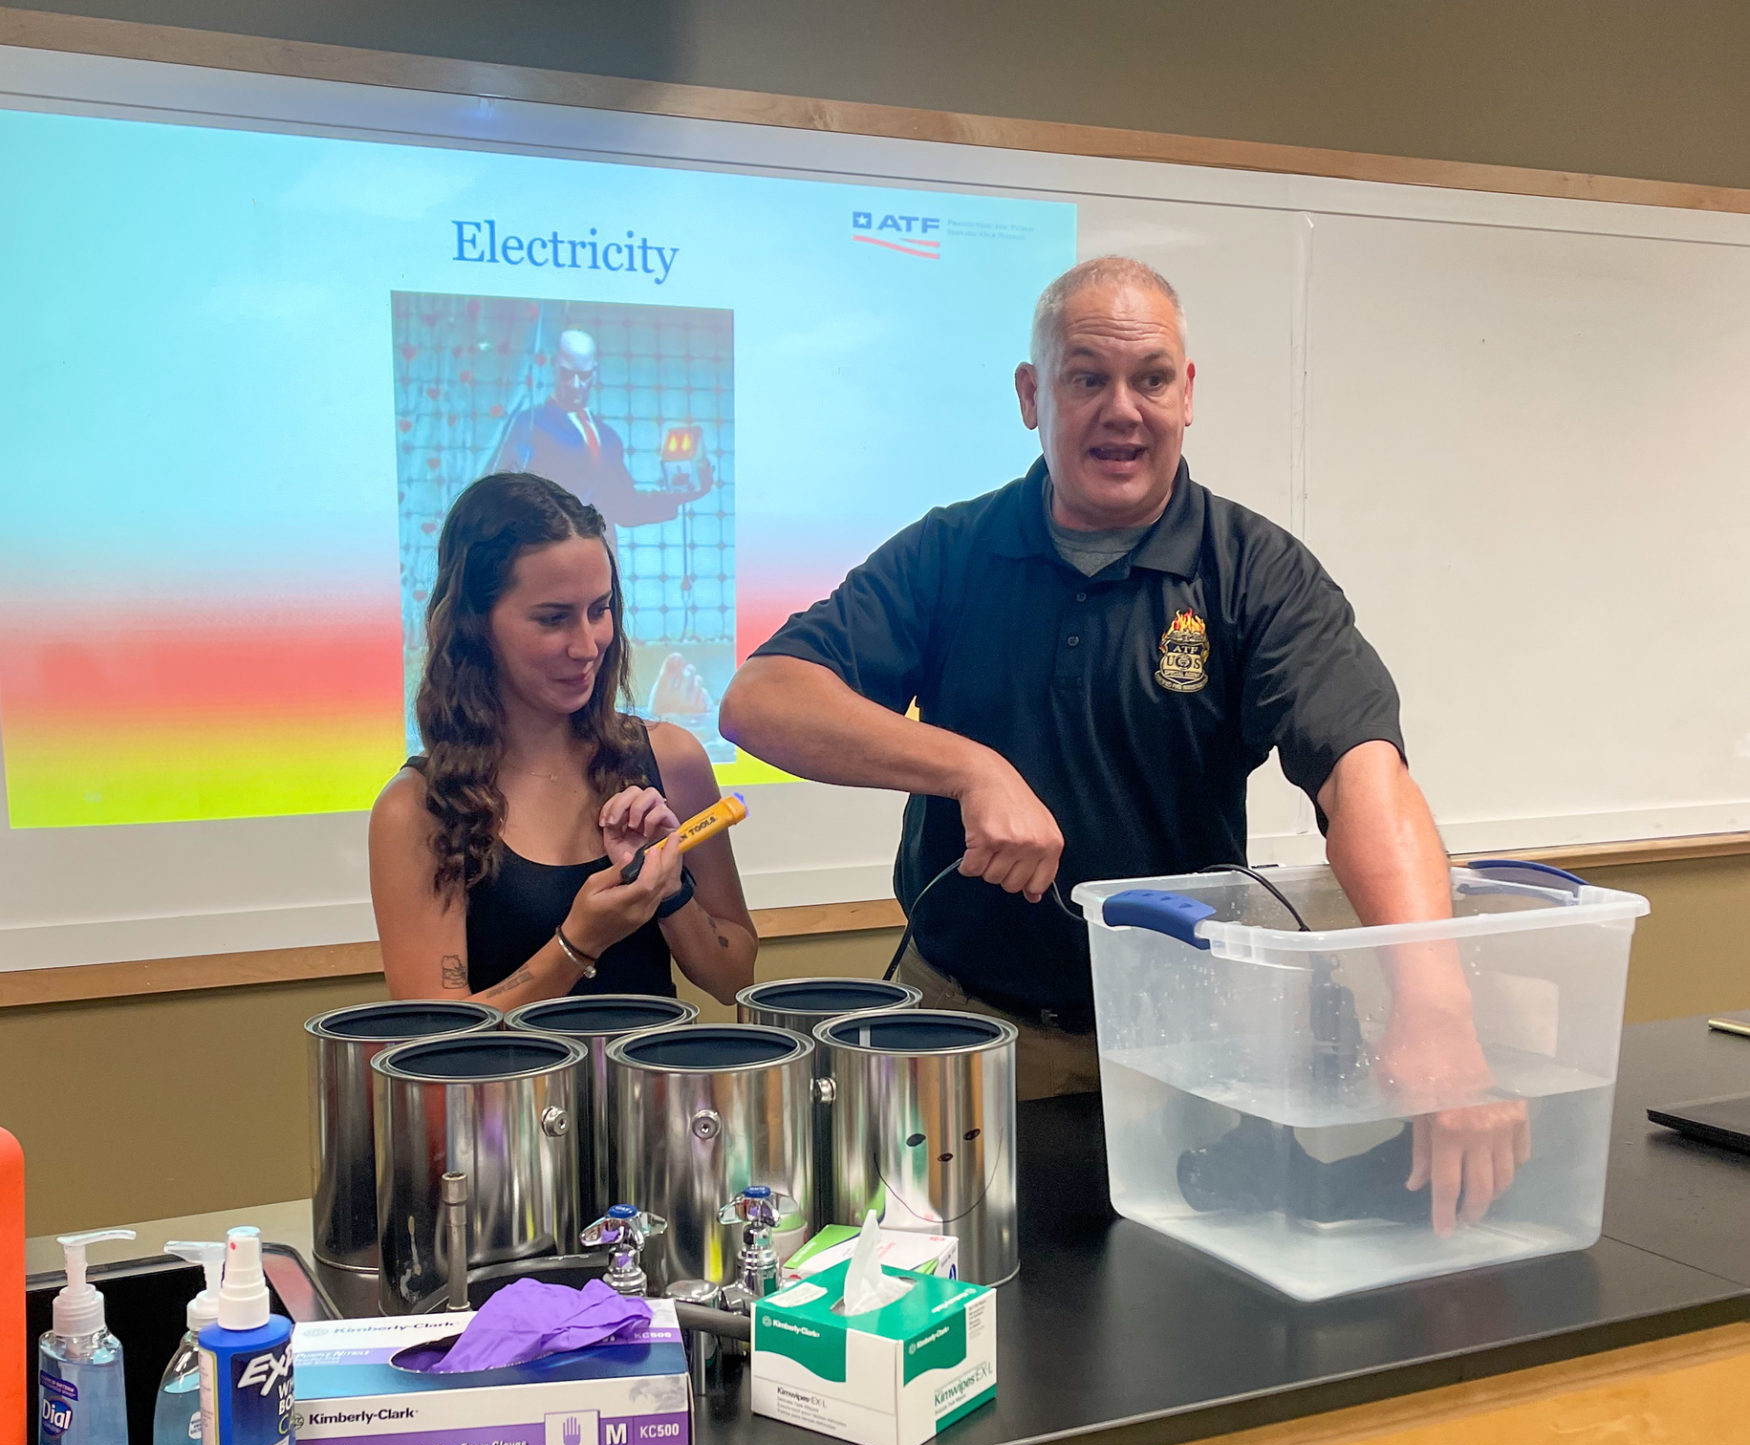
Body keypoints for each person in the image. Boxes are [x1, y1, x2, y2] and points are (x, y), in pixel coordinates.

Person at [719, 255, 1526, 1236]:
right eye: (1084, 378)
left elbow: (1361, 769)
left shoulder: (1252, 572)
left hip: (1189, 1048)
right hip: (968, 1038)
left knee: (1188, 1339)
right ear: (1031, 394)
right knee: (964, 1330)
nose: (1120, 409)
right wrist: (968, 766)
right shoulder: (950, 552)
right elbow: (763, 698)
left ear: (1187, 395)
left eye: (1148, 379)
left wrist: (1433, 1008)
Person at [370, 471, 757, 1010]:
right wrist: (577, 943)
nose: (587, 645)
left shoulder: (672, 760)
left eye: (600, 610)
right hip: (512, 1094)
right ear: (474, 626)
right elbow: (438, 1041)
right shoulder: (418, 809)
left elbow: (733, 976)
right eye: (553, 619)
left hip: (654, 1089)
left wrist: (669, 890)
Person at [492, 328, 719, 730]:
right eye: (567, 375)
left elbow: (625, 506)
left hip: (601, 574)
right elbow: (496, 502)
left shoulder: (607, 437)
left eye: (585, 376)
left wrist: (684, 495)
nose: (576, 385)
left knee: (596, 666)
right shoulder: (528, 427)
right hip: (542, 580)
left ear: (595, 373)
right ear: (553, 371)